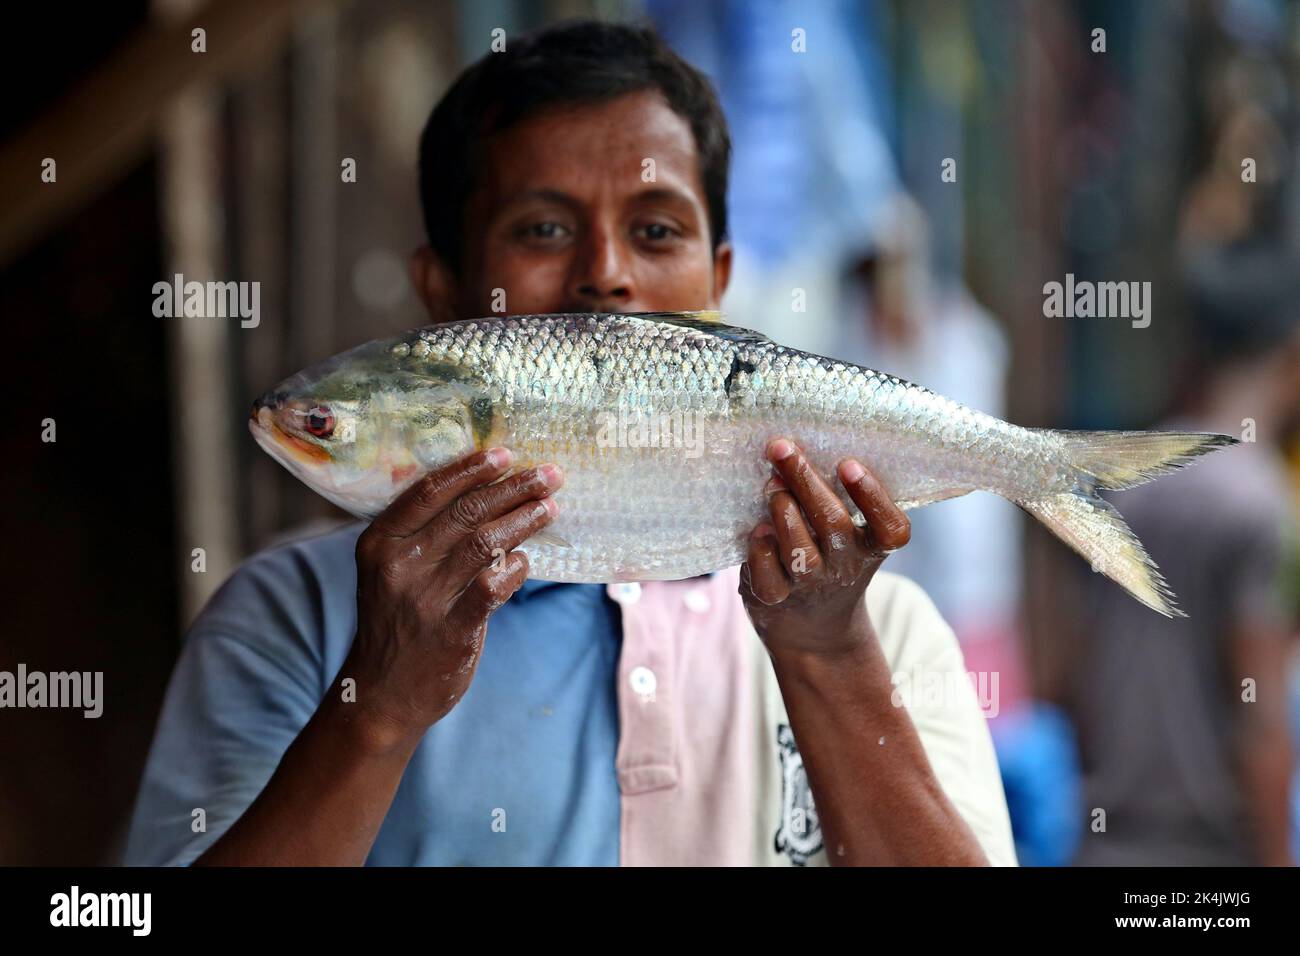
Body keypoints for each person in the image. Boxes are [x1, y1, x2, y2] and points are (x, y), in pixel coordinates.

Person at [124, 19, 1015, 867]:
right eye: (542, 229)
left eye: (657, 230)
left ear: (721, 281)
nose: (607, 272)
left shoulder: (887, 634)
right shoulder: (292, 620)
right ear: (444, 289)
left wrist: (827, 654)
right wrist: (380, 705)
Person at [1070, 238, 1299, 866]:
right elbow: (1261, 722)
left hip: (1107, 848)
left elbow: (1080, 675)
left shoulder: (1127, 482)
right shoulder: (1264, 507)